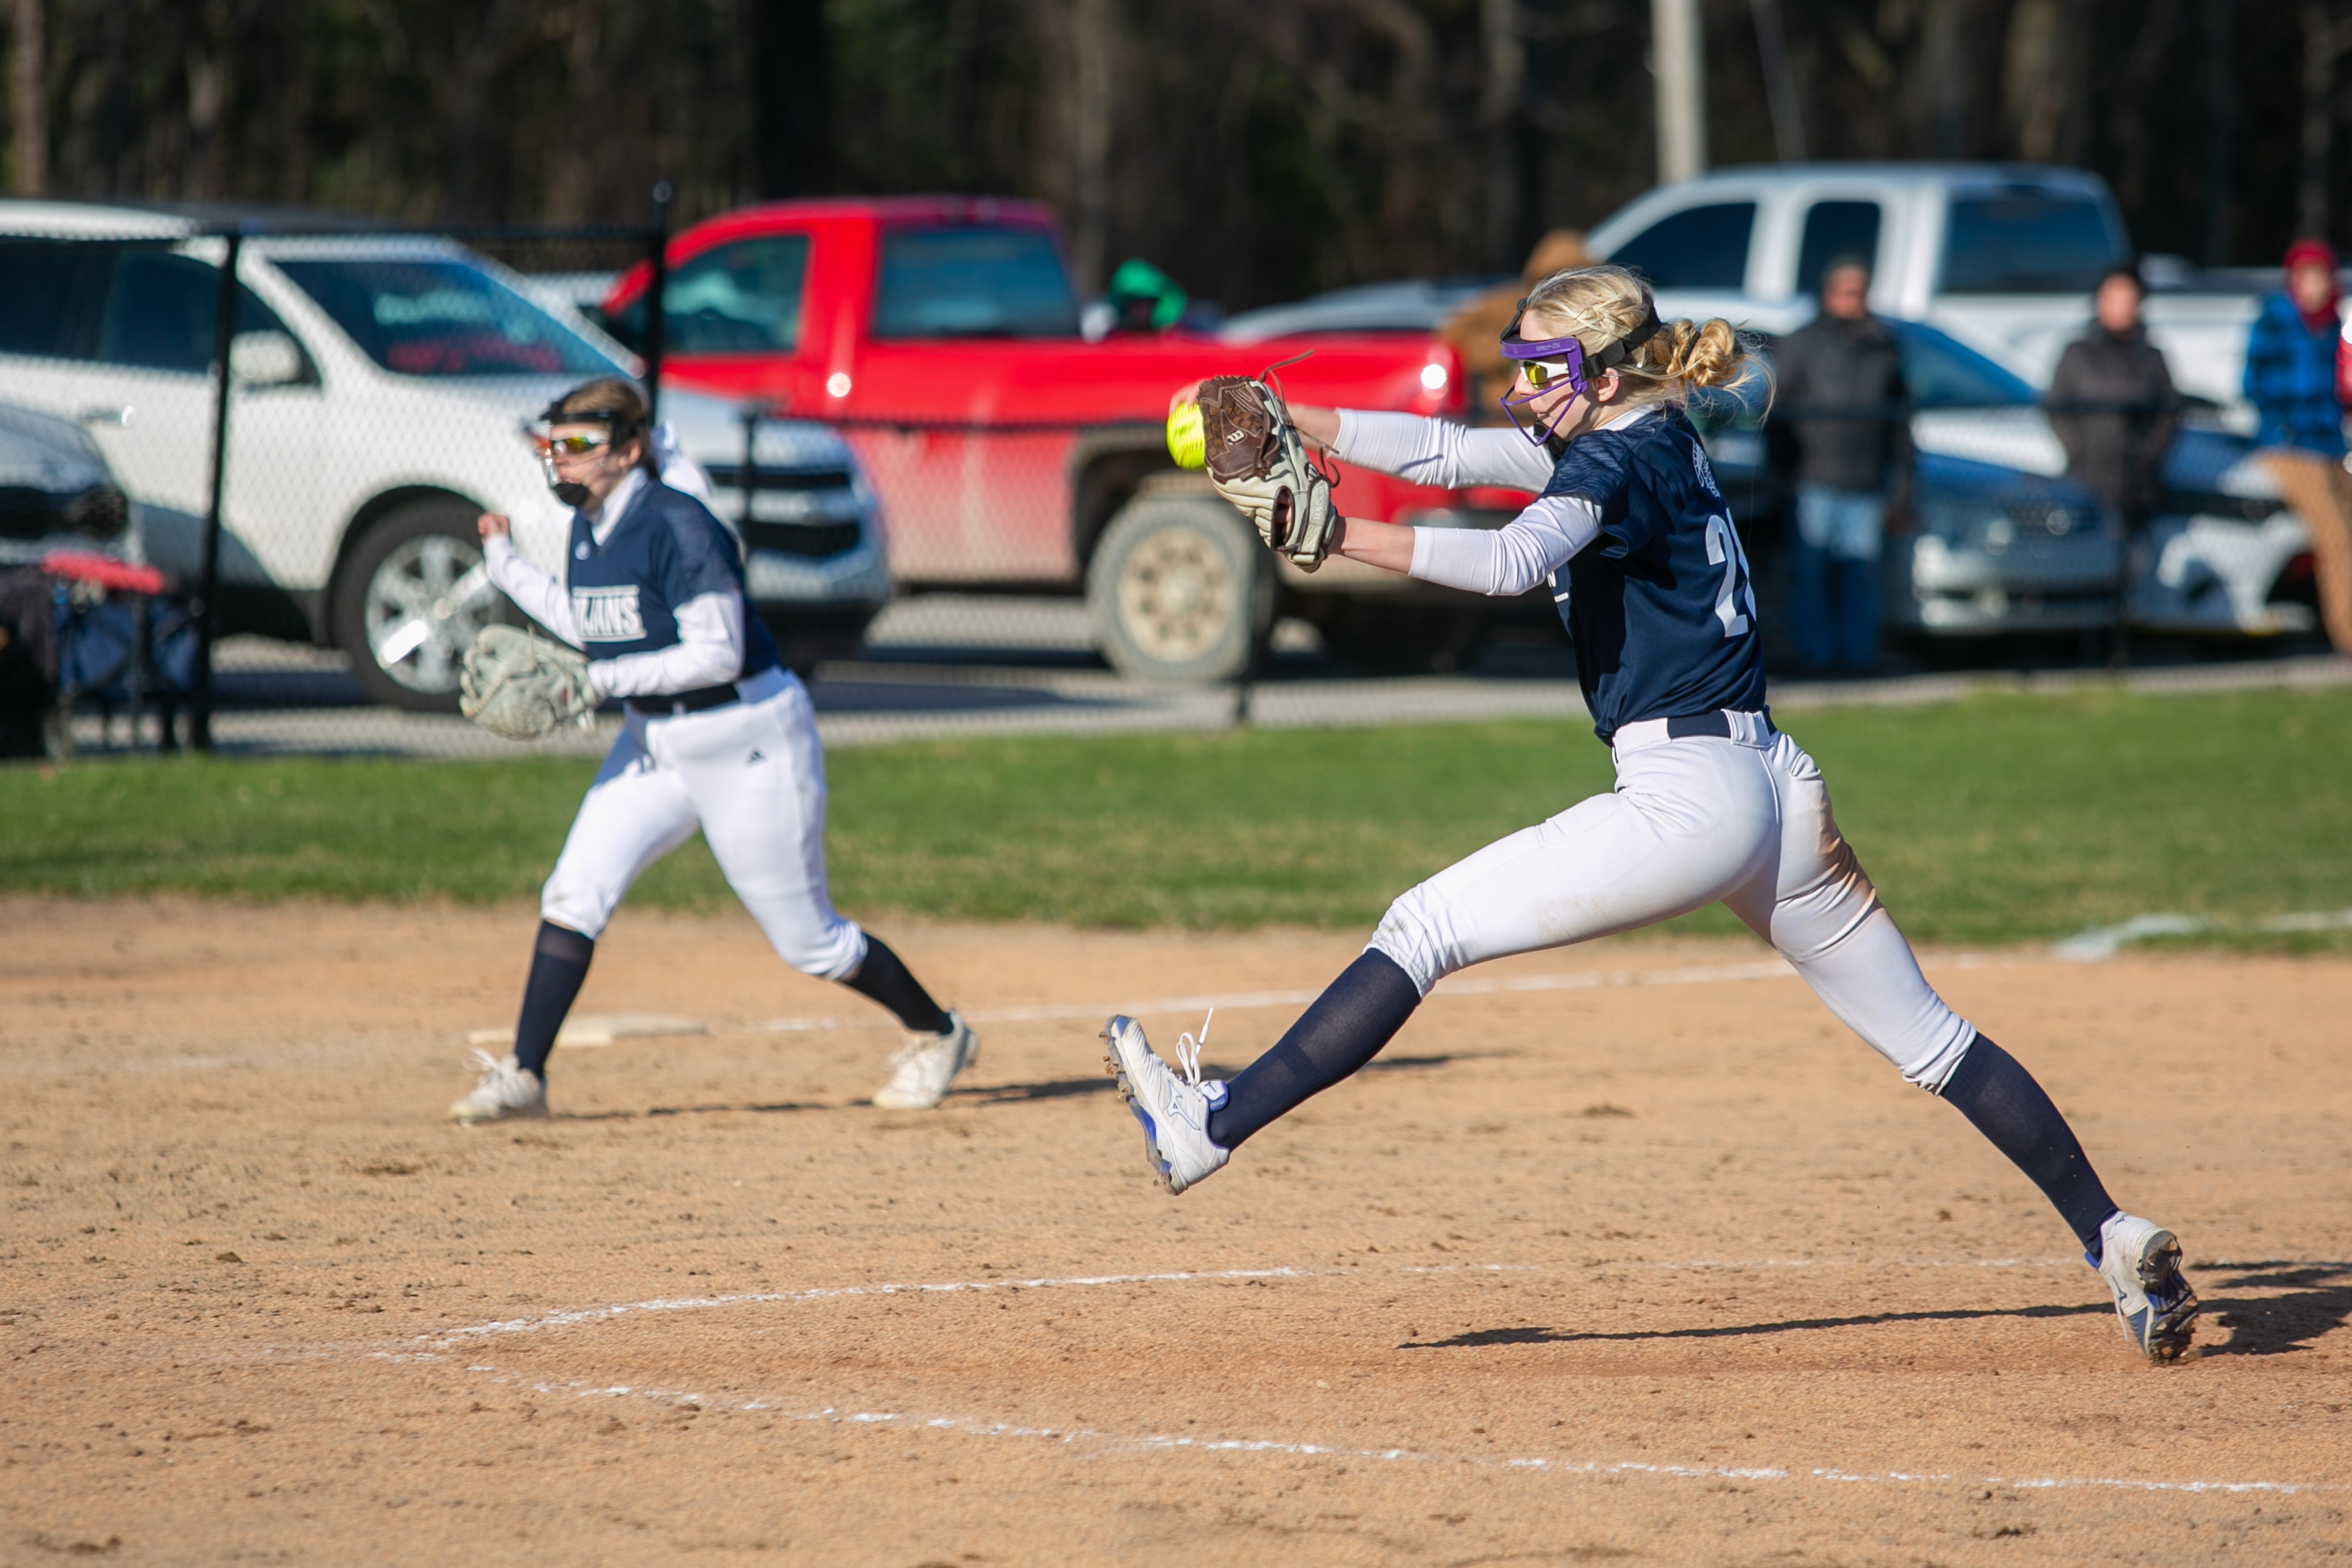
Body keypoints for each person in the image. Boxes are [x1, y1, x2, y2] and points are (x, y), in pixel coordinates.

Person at [1108, 266, 2200, 1364]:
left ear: (1601, 367)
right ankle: (2112, 1234)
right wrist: (1296, 414)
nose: (1522, 387)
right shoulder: (1654, 429)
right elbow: (1444, 454)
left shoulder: (1615, 456)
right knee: (1933, 1039)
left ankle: (1211, 1124)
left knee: (1423, 925)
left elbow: (1507, 560)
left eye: (1542, 367)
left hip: (1691, 797)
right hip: (1777, 784)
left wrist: (1333, 533)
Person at [448, 377, 978, 1123]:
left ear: (630, 450)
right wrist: (507, 568)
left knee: (811, 943)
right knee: (573, 894)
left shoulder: (678, 525)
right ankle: (524, 1076)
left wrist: (597, 683)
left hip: (746, 741)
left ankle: (939, 1034)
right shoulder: (590, 524)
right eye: (550, 444)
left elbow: (717, 653)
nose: (558, 460)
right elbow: (597, 622)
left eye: (577, 445)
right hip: (654, 741)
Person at [1770, 256, 1908, 673]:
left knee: (1860, 578)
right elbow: (1779, 417)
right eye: (1848, 291)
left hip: (1865, 481)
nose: (1856, 300)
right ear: (1828, 293)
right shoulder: (1803, 343)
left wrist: (1903, 484)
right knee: (1812, 578)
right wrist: (1782, 476)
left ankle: (1858, 660)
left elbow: (1900, 422)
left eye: (1862, 291)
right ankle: (1815, 660)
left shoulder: (1883, 343)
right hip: (1814, 480)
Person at [2244, 239, 2352, 653]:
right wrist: (2294, 414)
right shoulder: (2275, 320)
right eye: (2305, 276)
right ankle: (2346, 635)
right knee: (2337, 537)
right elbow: (2256, 385)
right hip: (2287, 445)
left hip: (2328, 444)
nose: (2314, 286)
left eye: (2321, 276)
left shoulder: (2331, 325)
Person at [2049, 266, 2179, 529]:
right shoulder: (2078, 353)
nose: (2119, 307)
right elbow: (2056, 405)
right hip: (2085, 475)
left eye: (2127, 299)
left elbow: (2169, 412)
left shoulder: (2151, 358)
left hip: (2137, 484)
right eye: (2112, 298)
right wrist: (2078, 447)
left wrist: (2147, 455)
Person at [1440, 229, 1592, 421]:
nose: (1560, 287)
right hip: (1505, 419)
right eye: (1552, 279)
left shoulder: (1598, 310)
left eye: (1571, 279)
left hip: (1576, 416)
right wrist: (1511, 352)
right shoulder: (1507, 304)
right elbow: (1450, 334)